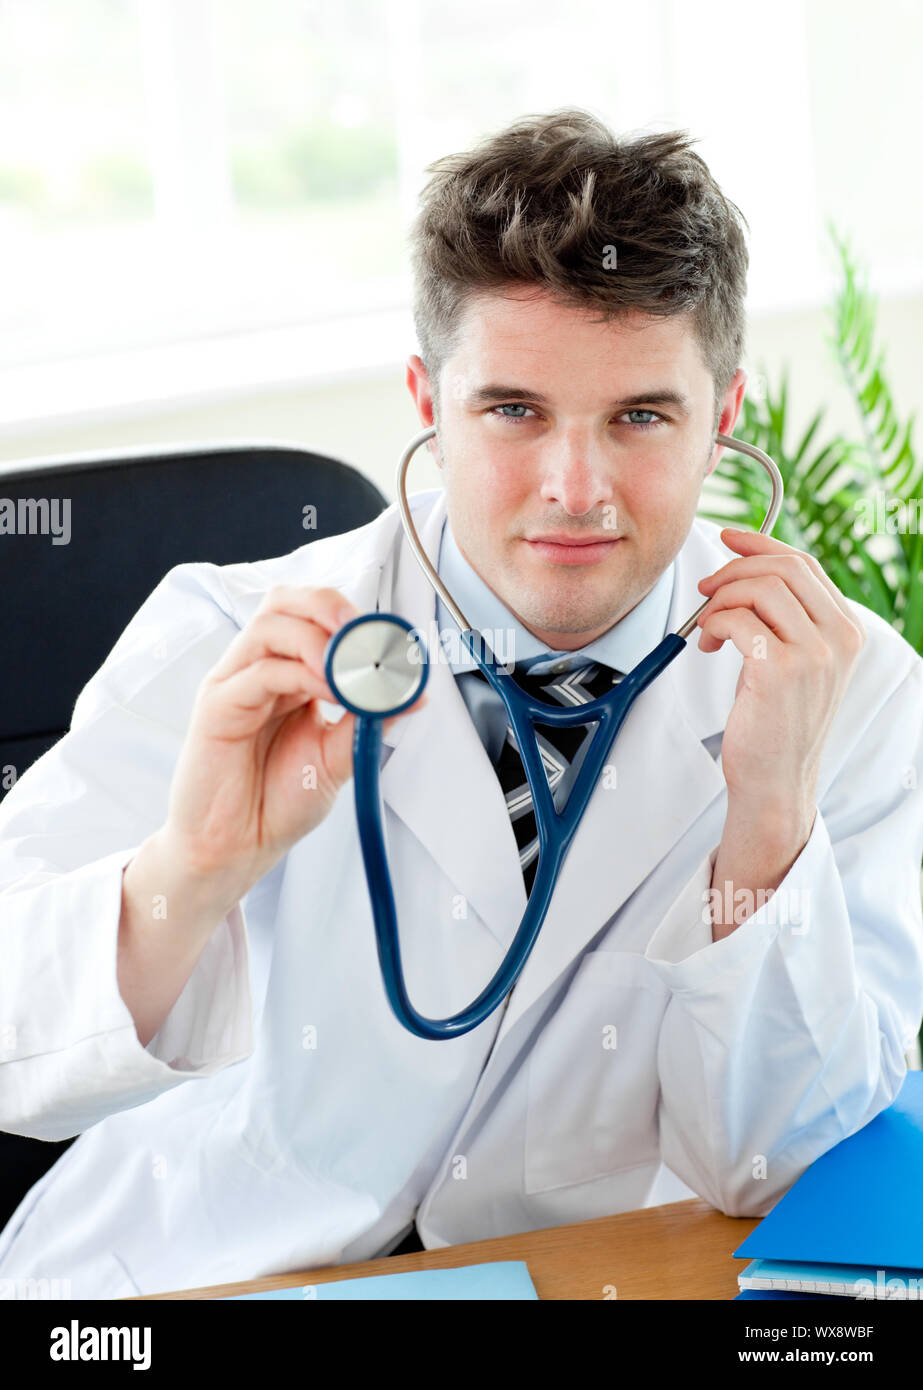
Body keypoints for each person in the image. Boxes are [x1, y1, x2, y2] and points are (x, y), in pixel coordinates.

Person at [1, 108, 922, 1301]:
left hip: (590, 1276)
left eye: (639, 415)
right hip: (200, 1278)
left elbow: (779, 1161)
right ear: (426, 401)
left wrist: (766, 820)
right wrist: (195, 864)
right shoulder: (230, 636)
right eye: (512, 410)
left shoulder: (846, 686)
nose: (575, 489)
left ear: (725, 416)